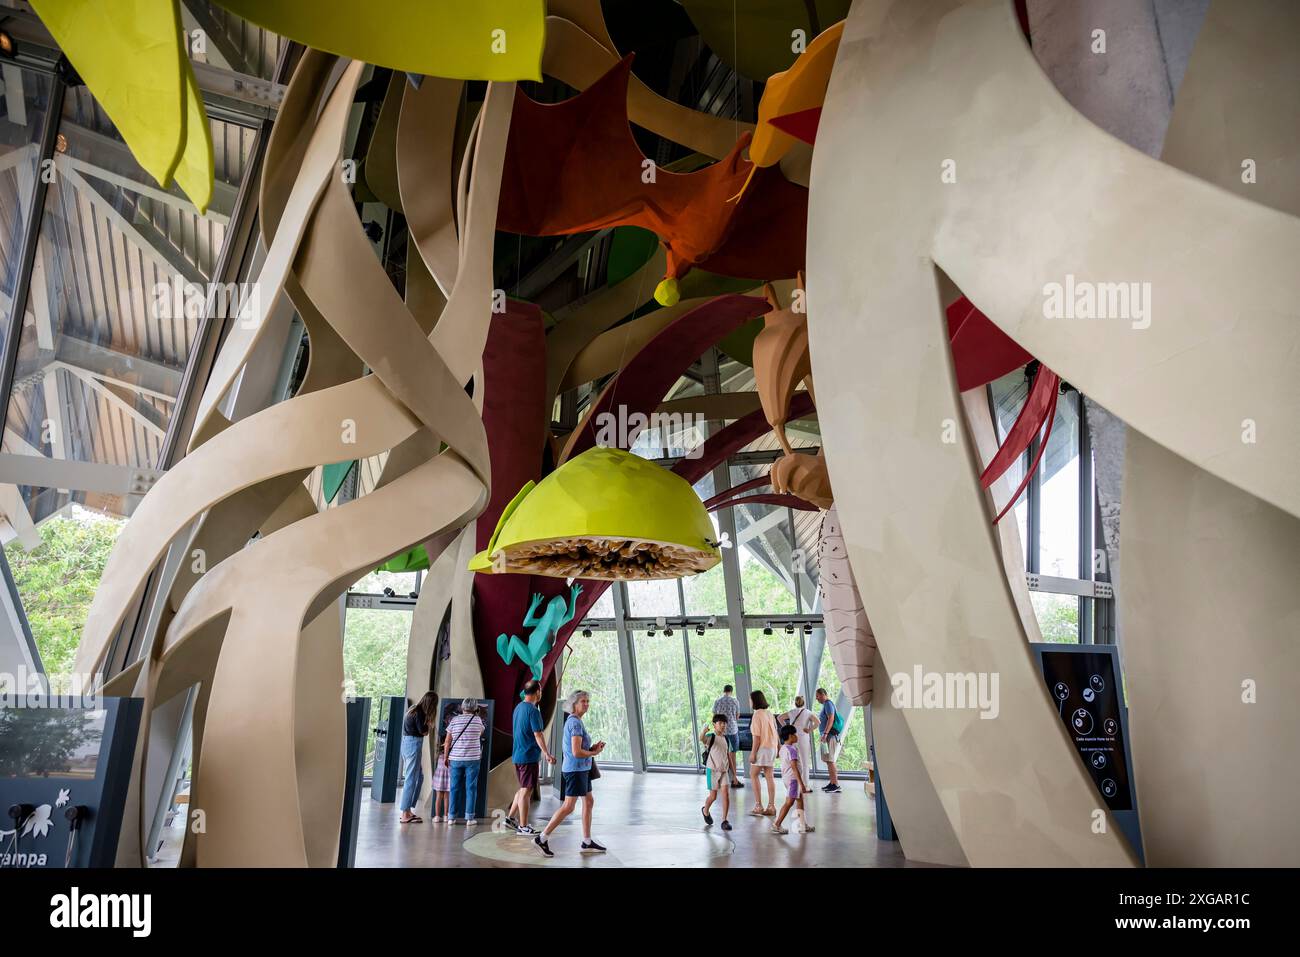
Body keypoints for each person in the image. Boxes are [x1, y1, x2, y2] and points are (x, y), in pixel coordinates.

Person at [534, 690, 606, 857]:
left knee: (588, 801)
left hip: (582, 769)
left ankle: (587, 842)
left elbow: (579, 749)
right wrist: (593, 753)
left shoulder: (577, 722)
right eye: (583, 701)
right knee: (568, 807)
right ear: (574, 704)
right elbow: (576, 752)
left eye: (588, 701)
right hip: (575, 770)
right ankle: (542, 838)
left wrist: (592, 748)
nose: (586, 704)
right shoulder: (574, 723)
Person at [506, 679, 556, 836]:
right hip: (528, 757)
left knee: (522, 789)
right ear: (537, 693)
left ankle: (509, 818)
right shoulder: (534, 712)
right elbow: (538, 735)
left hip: (518, 755)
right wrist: (547, 754)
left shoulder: (518, 708)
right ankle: (523, 826)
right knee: (527, 791)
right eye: (540, 691)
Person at [443, 698, 486, 825]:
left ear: (462, 707)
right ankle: (470, 818)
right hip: (473, 759)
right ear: (475, 708)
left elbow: (447, 741)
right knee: (471, 788)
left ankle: (451, 817)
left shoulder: (454, 720)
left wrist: (445, 757)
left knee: (454, 787)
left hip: (456, 758)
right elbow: (481, 733)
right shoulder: (478, 720)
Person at [399, 692, 437, 824]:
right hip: (413, 745)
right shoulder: (420, 713)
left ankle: (408, 810)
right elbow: (423, 731)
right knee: (411, 779)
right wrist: (429, 726)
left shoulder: (413, 709)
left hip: (407, 744)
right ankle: (405, 813)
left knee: (419, 777)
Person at [772, 724, 815, 834]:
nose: (797, 736)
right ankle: (777, 824)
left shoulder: (783, 748)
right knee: (789, 803)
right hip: (793, 780)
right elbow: (794, 767)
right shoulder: (792, 750)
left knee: (799, 800)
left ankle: (802, 825)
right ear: (790, 736)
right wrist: (802, 784)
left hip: (787, 778)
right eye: (795, 734)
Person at [747, 690, 779, 816]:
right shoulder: (769, 714)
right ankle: (771, 806)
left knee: (753, 774)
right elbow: (776, 731)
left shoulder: (757, 715)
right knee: (769, 776)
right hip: (772, 747)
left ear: (755, 700)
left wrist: (753, 753)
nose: (749, 702)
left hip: (762, 748)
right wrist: (778, 747)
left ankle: (758, 805)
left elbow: (757, 737)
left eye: (750, 699)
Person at [699, 714, 733, 830]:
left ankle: (724, 820)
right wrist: (703, 731)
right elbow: (701, 739)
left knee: (726, 795)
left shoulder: (726, 739)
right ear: (714, 725)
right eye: (720, 723)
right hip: (712, 770)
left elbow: (728, 756)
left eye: (724, 723)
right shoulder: (711, 736)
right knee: (713, 797)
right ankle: (705, 810)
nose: (723, 725)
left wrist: (734, 774)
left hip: (724, 771)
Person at [781, 695, 818, 794]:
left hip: (792, 738)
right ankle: (805, 786)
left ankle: (795, 784)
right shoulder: (808, 712)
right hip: (803, 739)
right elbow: (818, 722)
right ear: (803, 703)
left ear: (795, 703)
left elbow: (779, 717)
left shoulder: (791, 712)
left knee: (793, 762)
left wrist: (787, 727)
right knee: (805, 763)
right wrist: (809, 729)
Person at [711, 684, 744, 787]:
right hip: (732, 731)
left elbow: (714, 717)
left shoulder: (717, 701)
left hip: (720, 732)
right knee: (732, 755)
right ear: (731, 691)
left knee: (720, 755)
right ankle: (734, 779)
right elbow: (737, 716)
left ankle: (719, 780)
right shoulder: (735, 701)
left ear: (723, 690)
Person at [816, 688, 843, 793]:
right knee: (828, 760)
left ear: (823, 694)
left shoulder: (828, 704)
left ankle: (835, 784)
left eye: (818, 696)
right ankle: (832, 783)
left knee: (830, 760)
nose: (817, 698)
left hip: (830, 736)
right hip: (827, 736)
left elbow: (831, 718)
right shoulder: (826, 705)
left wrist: (825, 733)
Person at [430, 744, 451, 823]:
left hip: (439, 778)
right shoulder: (451, 756)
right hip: (448, 778)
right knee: (447, 797)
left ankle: (437, 816)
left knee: (438, 797)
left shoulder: (439, 755)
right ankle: (446, 816)